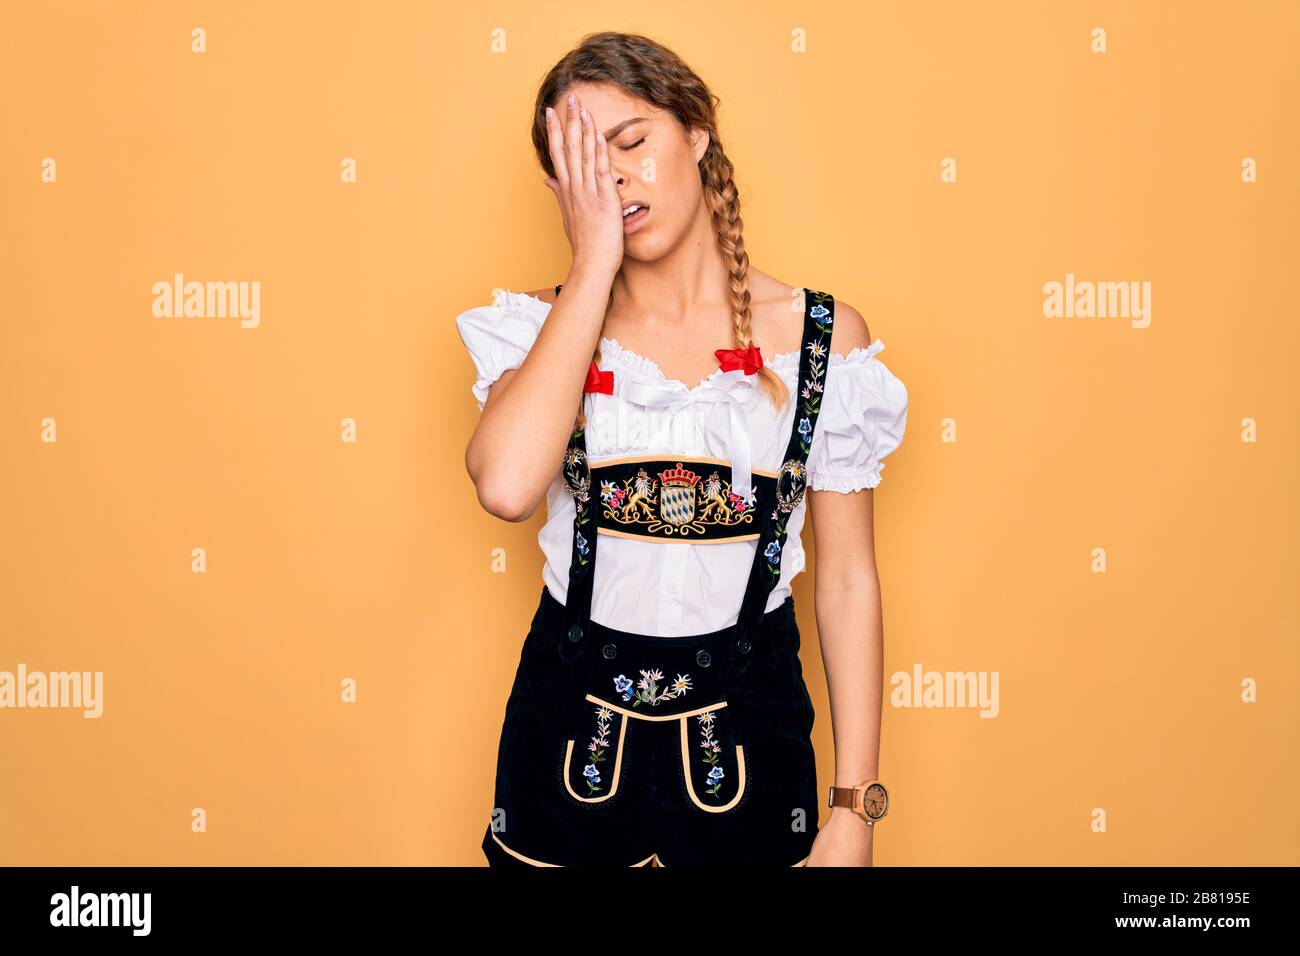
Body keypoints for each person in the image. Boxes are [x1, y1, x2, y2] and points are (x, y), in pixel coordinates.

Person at [456, 31, 908, 867]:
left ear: (696, 132)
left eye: (631, 143)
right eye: (587, 169)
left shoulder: (820, 343)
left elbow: (846, 579)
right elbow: (509, 486)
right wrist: (594, 261)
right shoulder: (537, 334)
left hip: (755, 755)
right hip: (563, 758)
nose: (617, 177)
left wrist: (856, 809)